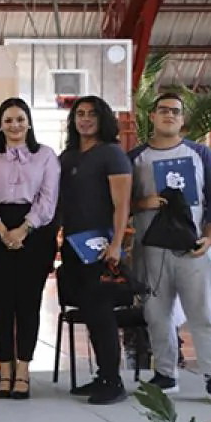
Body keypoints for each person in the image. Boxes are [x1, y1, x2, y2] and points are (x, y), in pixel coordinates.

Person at [128, 92, 211, 404]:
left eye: (175, 111)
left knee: (203, 315)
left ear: (182, 118)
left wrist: (210, 237)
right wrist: (141, 203)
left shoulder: (201, 154)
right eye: (163, 110)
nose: (169, 115)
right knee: (156, 314)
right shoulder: (135, 158)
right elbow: (120, 204)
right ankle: (165, 373)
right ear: (152, 116)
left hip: (194, 250)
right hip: (153, 251)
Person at [0, 98, 59, 400]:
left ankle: (23, 371)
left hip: (34, 233)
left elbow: (48, 200)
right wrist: (0, 229)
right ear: (0, 125)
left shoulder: (46, 156)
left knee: (28, 303)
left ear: (29, 123)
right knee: (0, 304)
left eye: (20, 119)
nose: (15, 125)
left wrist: (23, 229)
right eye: (8, 120)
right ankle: (3, 369)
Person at [58, 95, 132, 405]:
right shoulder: (68, 156)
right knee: (88, 311)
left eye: (91, 114)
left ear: (103, 119)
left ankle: (113, 381)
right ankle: (101, 376)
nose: (85, 119)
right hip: (74, 247)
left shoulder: (112, 154)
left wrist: (116, 244)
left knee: (101, 313)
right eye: (80, 114)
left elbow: (121, 204)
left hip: (102, 249)